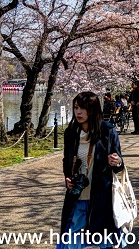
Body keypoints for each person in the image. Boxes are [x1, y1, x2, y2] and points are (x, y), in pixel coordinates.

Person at [58, 92, 125, 249]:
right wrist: (68, 178)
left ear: (93, 110)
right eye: (76, 108)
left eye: (83, 108)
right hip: (78, 196)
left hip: (101, 197)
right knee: (71, 241)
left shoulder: (107, 132)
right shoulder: (71, 133)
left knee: (106, 241)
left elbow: (120, 165)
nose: (78, 112)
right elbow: (67, 161)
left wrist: (117, 162)